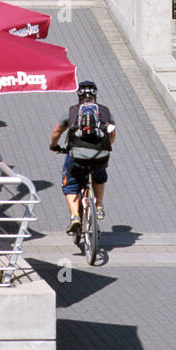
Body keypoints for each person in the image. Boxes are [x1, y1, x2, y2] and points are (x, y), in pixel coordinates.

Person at [49, 81, 115, 235]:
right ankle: (98, 206)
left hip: (77, 156)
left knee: (69, 184)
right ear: (95, 95)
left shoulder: (72, 111)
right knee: (99, 176)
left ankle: (75, 217)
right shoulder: (105, 111)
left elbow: (57, 131)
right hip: (101, 155)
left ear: (78, 96)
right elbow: (112, 133)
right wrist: (107, 148)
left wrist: (54, 145)